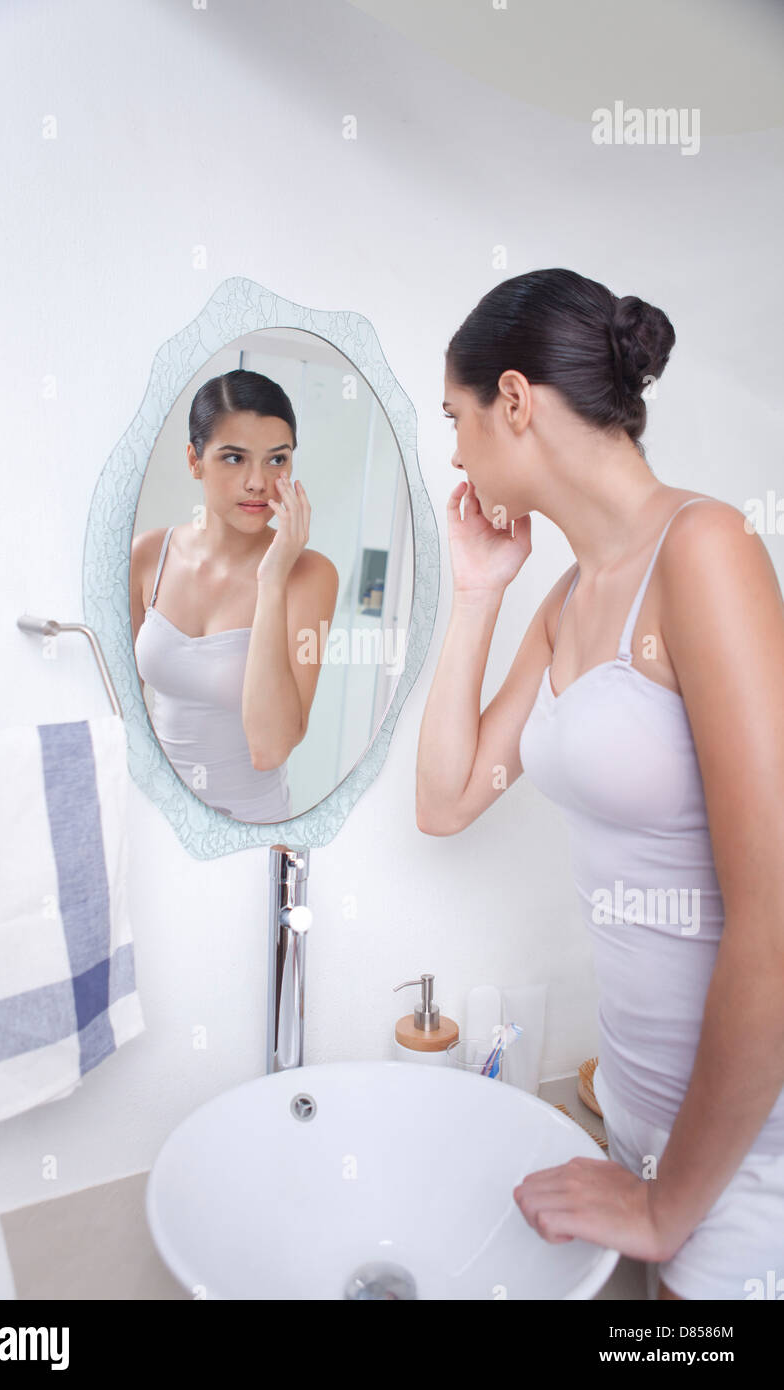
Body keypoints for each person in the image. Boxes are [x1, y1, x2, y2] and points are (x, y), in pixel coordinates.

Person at [416, 268, 784, 1300]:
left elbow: (776, 919)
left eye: (458, 416)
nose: (452, 449)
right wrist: (479, 591)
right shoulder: (570, 595)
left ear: (517, 401)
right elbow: (444, 801)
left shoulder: (705, 550)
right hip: (631, 1115)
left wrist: (668, 1204)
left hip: (742, 1155)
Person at [131, 369, 338, 821]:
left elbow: (270, 747)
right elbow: (117, 708)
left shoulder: (310, 576)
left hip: (251, 830)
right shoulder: (149, 555)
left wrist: (273, 577)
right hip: (153, 818)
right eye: (233, 458)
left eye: (277, 460)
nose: (258, 483)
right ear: (193, 460)